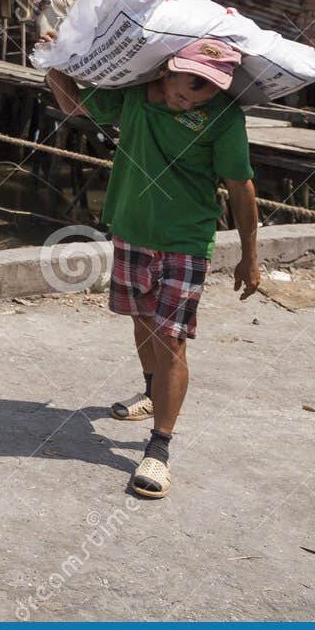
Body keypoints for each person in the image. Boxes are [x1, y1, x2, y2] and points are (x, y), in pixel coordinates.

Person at [43, 37, 260, 500]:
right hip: (131, 229)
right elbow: (78, 104)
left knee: (171, 339)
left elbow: (240, 186)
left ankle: (158, 448)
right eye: (191, 80)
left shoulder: (223, 118)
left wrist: (250, 253)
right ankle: (150, 389)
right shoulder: (133, 97)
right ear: (168, 68)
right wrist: (55, 63)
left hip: (186, 239)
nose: (195, 93)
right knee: (143, 323)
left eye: (207, 87)